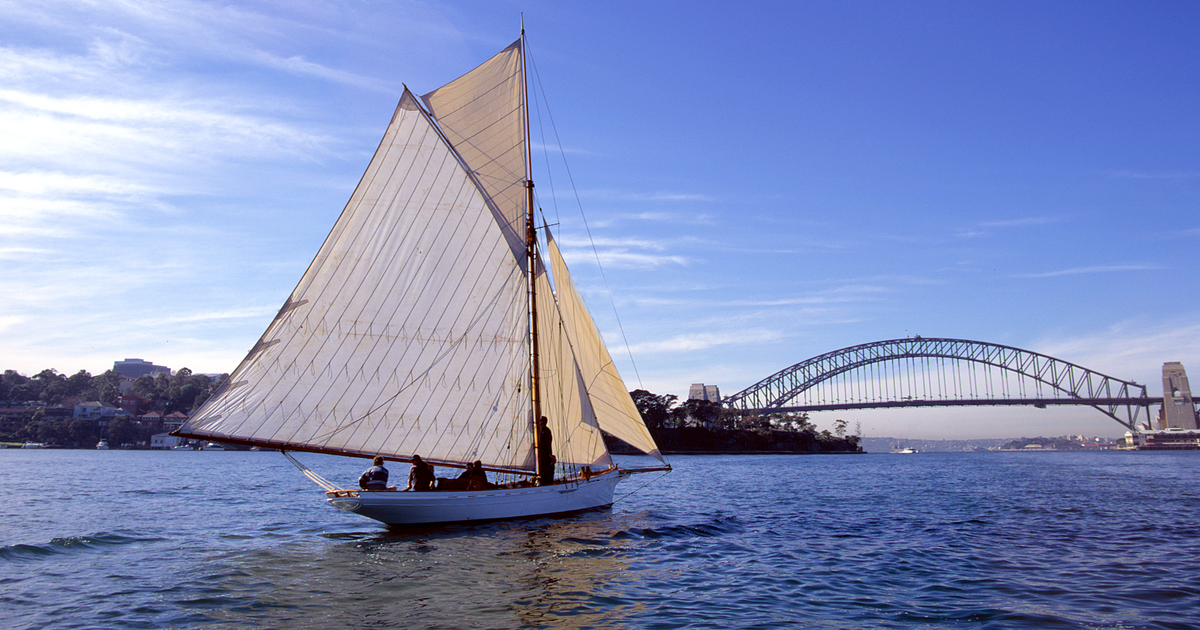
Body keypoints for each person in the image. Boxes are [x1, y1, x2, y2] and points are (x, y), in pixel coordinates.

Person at [536, 416, 554, 486]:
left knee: (546, 468)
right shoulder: (543, 430)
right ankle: (543, 481)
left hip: (545, 454)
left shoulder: (545, 431)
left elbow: (548, 442)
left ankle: (546, 482)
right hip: (543, 453)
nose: (539, 422)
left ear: (542, 422)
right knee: (543, 468)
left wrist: (548, 453)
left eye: (540, 421)